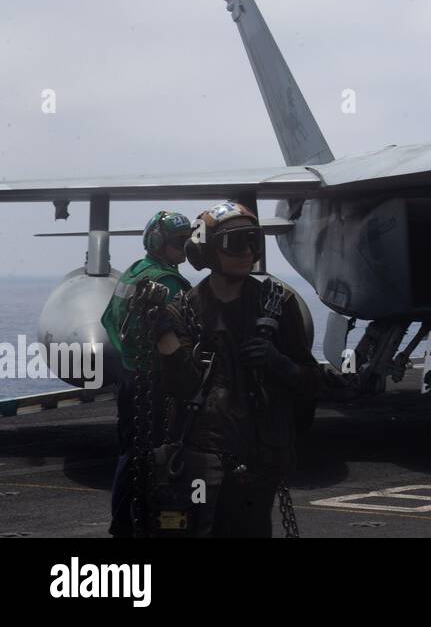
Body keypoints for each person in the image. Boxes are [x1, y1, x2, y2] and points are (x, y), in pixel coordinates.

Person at [155, 201, 320, 537]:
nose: (249, 252)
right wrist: (165, 339)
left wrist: (280, 364)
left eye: (253, 241)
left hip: (259, 458)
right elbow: (181, 387)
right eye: (235, 242)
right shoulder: (184, 310)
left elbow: (312, 380)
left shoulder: (277, 305)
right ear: (205, 253)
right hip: (201, 456)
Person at [101, 210, 193, 537]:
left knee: (131, 451)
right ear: (159, 243)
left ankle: (123, 520)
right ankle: (135, 522)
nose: (185, 249)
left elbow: (108, 320)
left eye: (187, 241)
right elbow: (188, 332)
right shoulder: (168, 282)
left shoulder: (134, 272)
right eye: (178, 243)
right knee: (154, 454)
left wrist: (130, 355)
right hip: (155, 380)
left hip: (130, 374)